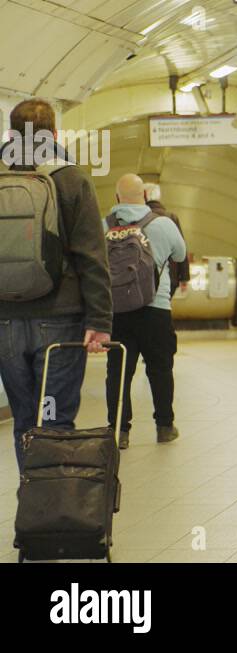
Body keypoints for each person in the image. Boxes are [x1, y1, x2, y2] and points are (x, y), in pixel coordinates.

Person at [0, 98, 113, 470]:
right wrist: (99, 322)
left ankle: (29, 504)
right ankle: (50, 511)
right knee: (56, 422)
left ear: (11, 132)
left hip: (6, 322)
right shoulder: (71, 178)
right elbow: (91, 255)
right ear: (55, 134)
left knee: (24, 423)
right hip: (60, 319)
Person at [104, 174, 187, 449]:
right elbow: (180, 255)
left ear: (117, 199)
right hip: (156, 308)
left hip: (118, 310)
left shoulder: (103, 226)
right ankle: (164, 426)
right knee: (160, 368)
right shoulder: (163, 223)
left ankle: (120, 431)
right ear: (145, 196)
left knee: (118, 371)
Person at [144, 183, 191, 297]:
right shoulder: (171, 217)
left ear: (144, 196)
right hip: (171, 277)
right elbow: (181, 249)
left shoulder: (138, 217)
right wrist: (184, 277)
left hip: (144, 278)